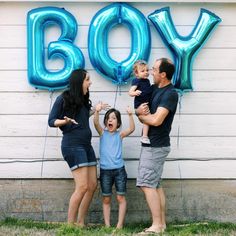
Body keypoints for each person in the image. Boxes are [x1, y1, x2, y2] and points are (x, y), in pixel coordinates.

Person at [48, 69, 108, 226]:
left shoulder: (82, 99)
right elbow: (51, 121)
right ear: (79, 82)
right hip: (72, 146)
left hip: (86, 146)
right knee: (82, 187)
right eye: (88, 79)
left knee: (92, 185)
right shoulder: (63, 98)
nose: (90, 82)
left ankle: (80, 223)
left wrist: (96, 109)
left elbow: (82, 115)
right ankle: (70, 226)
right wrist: (65, 121)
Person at [135, 58, 178, 234]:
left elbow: (156, 120)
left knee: (146, 184)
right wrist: (138, 112)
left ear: (163, 74)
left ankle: (157, 225)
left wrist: (141, 117)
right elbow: (139, 108)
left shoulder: (170, 93)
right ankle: (161, 224)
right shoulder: (153, 89)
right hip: (153, 145)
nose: (151, 72)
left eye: (154, 70)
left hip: (156, 145)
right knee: (155, 184)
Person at [93, 104, 135, 229]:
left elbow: (132, 129)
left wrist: (130, 115)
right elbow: (95, 123)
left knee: (120, 197)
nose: (110, 120)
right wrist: (97, 111)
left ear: (118, 123)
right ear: (106, 122)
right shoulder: (102, 133)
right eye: (108, 118)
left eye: (113, 118)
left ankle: (119, 225)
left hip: (119, 171)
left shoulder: (120, 135)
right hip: (105, 171)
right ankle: (107, 225)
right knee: (106, 199)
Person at [129, 60, 152, 145]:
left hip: (146, 103)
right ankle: (144, 137)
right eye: (142, 71)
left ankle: (145, 136)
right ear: (136, 73)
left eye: (147, 70)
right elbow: (130, 92)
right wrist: (135, 92)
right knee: (147, 120)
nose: (146, 72)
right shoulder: (136, 81)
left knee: (148, 119)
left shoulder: (147, 81)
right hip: (140, 104)